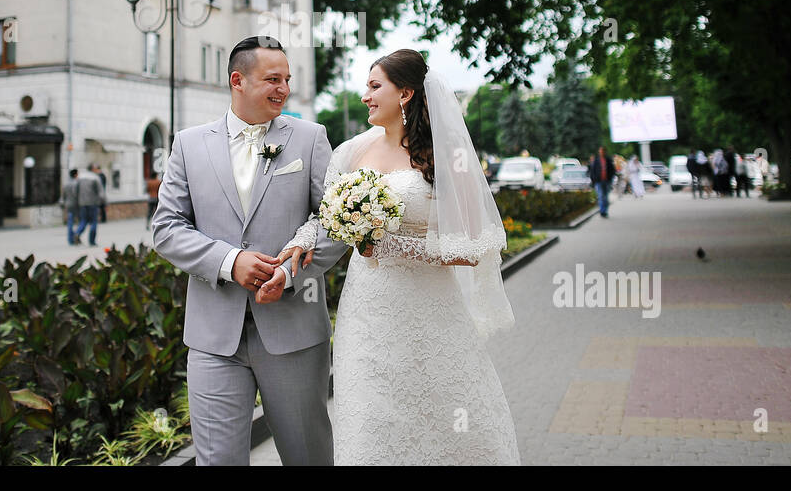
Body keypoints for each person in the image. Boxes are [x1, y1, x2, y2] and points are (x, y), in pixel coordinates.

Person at [278, 49, 520, 465]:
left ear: (405, 93)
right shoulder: (351, 152)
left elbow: (476, 246)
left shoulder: (445, 158)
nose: (365, 97)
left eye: (375, 87)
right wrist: (300, 240)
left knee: (441, 414)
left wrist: (395, 245)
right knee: (370, 414)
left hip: (430, 309)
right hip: (367, 309)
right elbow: (325, 215)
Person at [152, 36, 343, 466]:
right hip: (213, 338)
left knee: (307, 456)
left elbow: (335, 222)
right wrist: (228, 261)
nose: (284, 89)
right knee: (217, 461)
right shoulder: (188, 143)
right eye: (272, 79)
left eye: (287, 80)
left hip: (293, 333)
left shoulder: (311, 139)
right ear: (238, 80)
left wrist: (291, 272)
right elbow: (166, 228)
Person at [76, 165, 103, 244]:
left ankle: (78, 233)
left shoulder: (80, 177)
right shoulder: (95, 178)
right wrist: (103, 202)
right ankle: (92, 241)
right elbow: (100, 192)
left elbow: (76, 190)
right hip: (93, 203)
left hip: (82, 203)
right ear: (93, 169)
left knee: (83, 220)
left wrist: (78, 201)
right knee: (93, 221)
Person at [588, 146, 616, 217]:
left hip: (607, 181)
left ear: (605, 152)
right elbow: (592, 171)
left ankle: (605, 210)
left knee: (605, 197)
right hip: (598, 181)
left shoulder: (608, 160)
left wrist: (610, 178)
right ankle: (602, 211)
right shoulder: (596, 161)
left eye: (603, 151)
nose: (602, 152)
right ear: (599, 152)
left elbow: (613, 170)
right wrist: (593, 180)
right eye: (600, 151)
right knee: (600, 196)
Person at [60, 168, 81, 245]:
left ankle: (70, 239)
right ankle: (76, 235)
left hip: (68, 204)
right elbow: (77, 194)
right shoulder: (77, 183)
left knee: (70, 222)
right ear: (76, 174)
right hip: (76, 204)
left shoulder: (66, 183)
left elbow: (63, 195)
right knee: (81, 221)